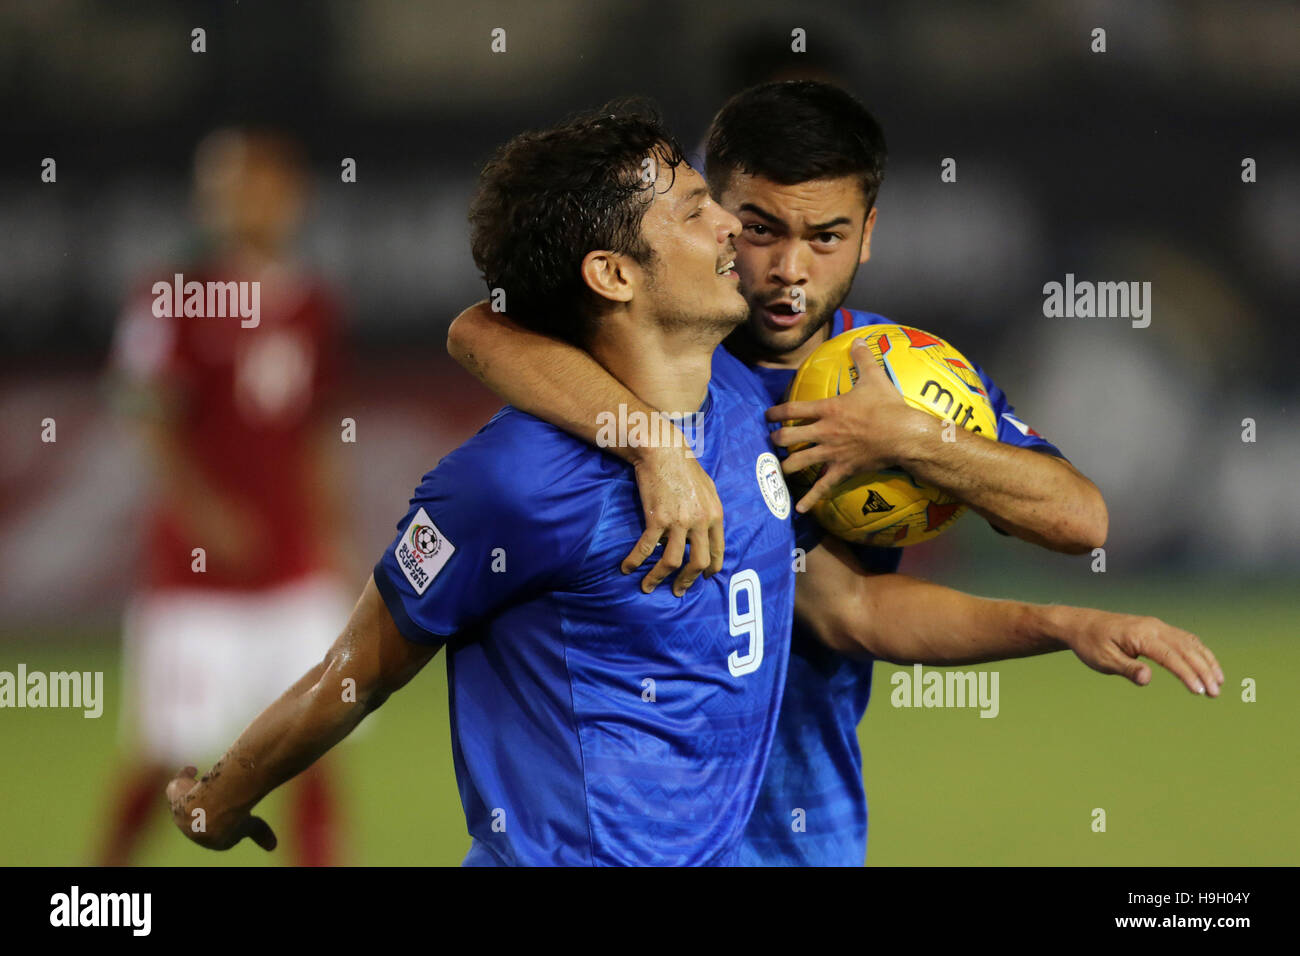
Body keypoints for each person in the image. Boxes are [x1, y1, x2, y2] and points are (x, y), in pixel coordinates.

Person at [445, 82, 1221, 865]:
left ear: (868, 233)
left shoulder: (907, 372)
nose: (790, 271)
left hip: (805, 826)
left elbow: (1073, 521)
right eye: (761, 229)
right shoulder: (650, 339)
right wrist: (655, 444)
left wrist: (913, 439)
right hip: (621, 836)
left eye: (826, 237)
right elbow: (482, 329)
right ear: (718, 215)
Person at [101, 128, 350, 866]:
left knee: (316, 748)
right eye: (226, 187)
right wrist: (203, 514)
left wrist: (332, 535)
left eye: (256, 185)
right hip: (196, 577)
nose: (242, 202)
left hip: (292, 568)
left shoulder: (313, 304)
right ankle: (91, 894)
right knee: (167, 751)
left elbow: (316, 432)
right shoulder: (171, 294)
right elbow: (145, 415)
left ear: (292, 194)